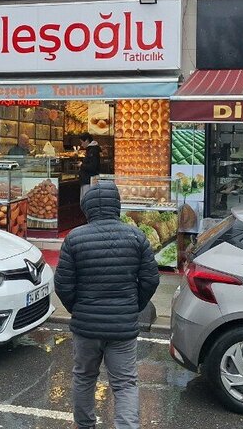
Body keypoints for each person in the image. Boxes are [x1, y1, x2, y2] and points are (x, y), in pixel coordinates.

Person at [55, 181, 160, 429]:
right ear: (117, 206)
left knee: (83, 378)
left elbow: (63, 285)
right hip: (122, 327)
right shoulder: (136, 236)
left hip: (86, 326)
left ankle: (85, 425)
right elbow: (150, 279)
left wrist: (77, 309)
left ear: (87, 208)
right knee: (125, 384)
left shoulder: (74, 238)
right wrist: (133, 307)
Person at [78, 132, 100, 198]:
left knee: (87, 200)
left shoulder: (92, 151)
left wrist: (82, 165)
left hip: (88, 181)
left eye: (82, 142)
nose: (81, 144)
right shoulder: (92, 150)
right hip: (88, 180)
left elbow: (93, 166)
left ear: (87, 140)